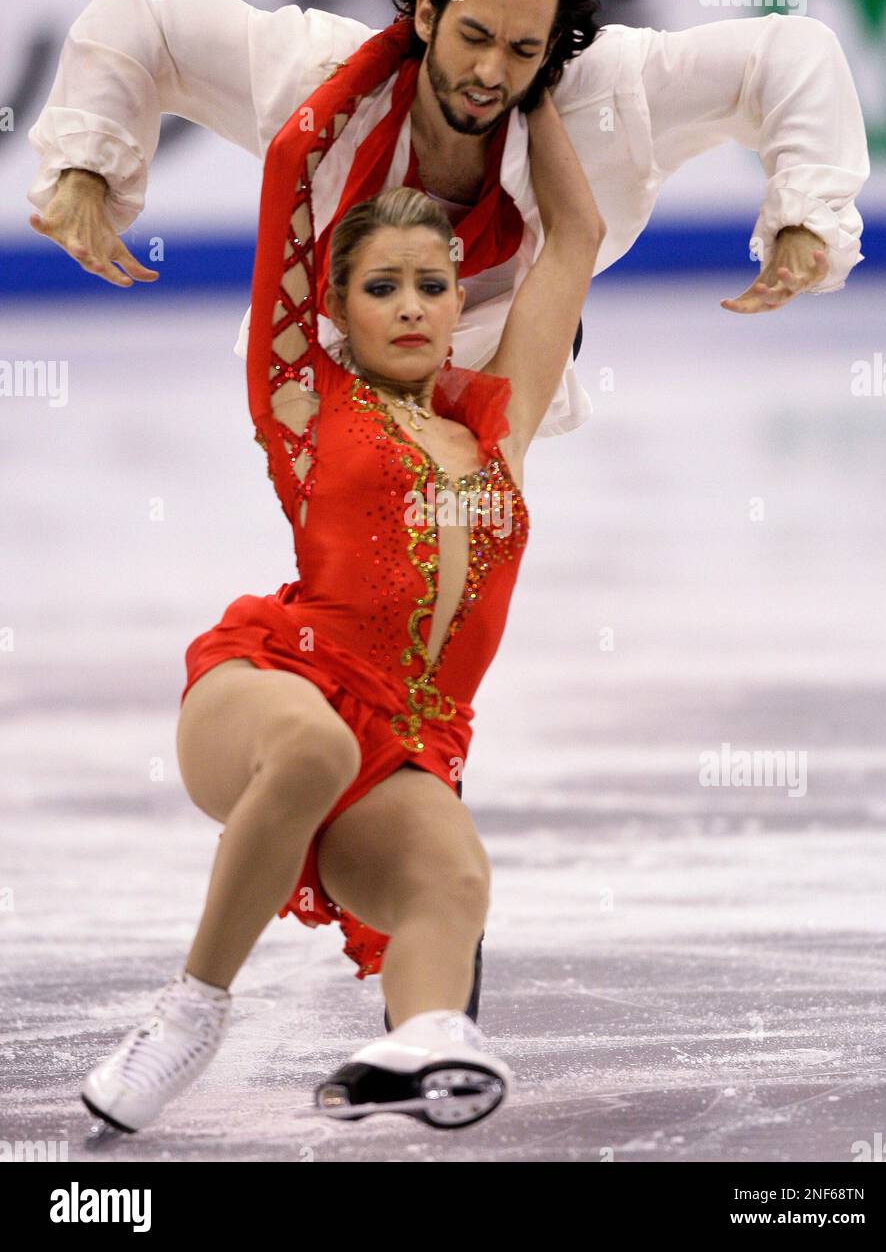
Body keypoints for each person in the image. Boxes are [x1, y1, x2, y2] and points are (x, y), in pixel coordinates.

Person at [29, 0, 867, 1034]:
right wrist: (86, 161)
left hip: (504, 360)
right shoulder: (312, 70)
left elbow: (790, 51)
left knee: (442, 607)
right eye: (473, 34)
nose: (491, 69)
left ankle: (419, 926)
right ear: (424, 11)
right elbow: (148, 21)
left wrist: (807, 210)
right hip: (334, 364)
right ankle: (372, 866)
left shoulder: (610, 94)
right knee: (363, 593)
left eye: (524, 49)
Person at [79, 81, 605, 1133]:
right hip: (271, 686)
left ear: (461, 302)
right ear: (342, 308)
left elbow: (576, 234)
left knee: (455, 880)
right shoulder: (304, 405)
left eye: (430, 283)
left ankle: (422, 1044)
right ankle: (190, 1012)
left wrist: (535, 85)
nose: (410, 304)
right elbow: (288, 170)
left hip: (407, 739)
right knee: (314, 745)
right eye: (380, 287)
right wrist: (399, 55)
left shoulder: (498, 426)